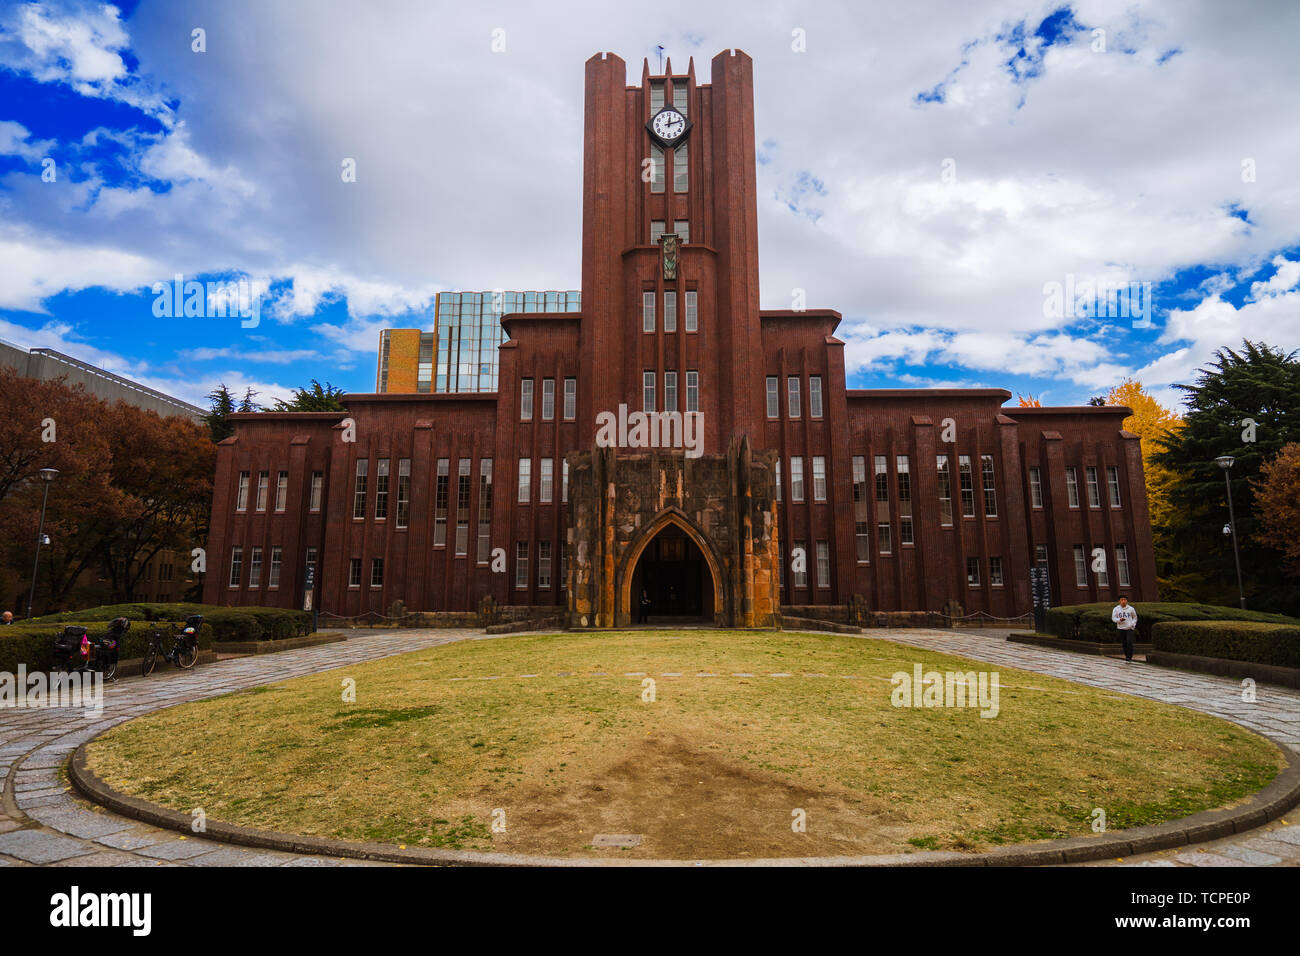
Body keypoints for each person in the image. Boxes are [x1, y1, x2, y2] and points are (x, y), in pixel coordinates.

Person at [1111, 595, 1138, 662]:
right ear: (1119, 601)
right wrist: (1119, 620)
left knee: (1129, 642)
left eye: (1125, 600)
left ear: (1127, 601)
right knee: (1124, 643)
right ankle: (1126, 655)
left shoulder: (1131, 608)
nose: (1123, 601)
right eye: (1122, 600)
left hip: (1129, 628)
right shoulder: (1116, 609)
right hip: (1121, 628)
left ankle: (1129, 657)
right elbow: (1113, 618)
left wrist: (1133, 625)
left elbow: (1135, 617)